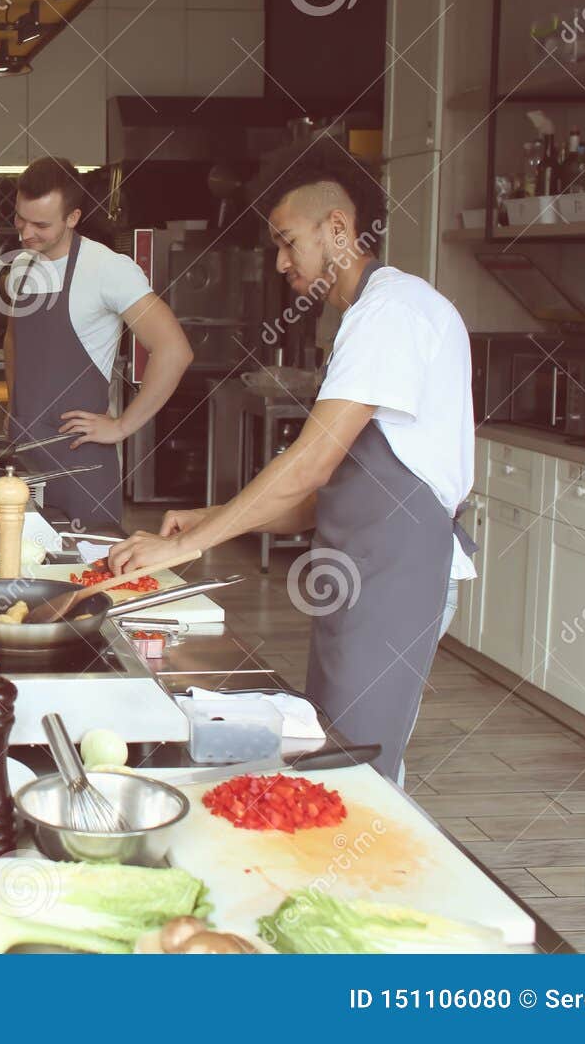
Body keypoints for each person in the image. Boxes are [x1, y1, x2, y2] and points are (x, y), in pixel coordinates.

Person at [108, 138, 476, 781]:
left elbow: (306, 465)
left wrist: (180, 551)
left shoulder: (394, 311)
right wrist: (209, 521)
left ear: (339, 228)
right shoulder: (365, 316)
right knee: (331, 754)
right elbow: (317, 495)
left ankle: (372, 877)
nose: (280, 261)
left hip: (398, 574)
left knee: (361, 768)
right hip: (359, 573)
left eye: (287, 241)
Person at [5, 157, 193, 534]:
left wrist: (123, 425)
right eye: (20, 219)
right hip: (23, 456)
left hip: (81, 461)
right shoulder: (22, 266)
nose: (26, 233)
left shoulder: (108, 268)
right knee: (19, 571)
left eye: (41, 224)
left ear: (73, 218)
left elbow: (174, 350)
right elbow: (13, 340)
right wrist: (16, 408)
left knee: (86, 578)